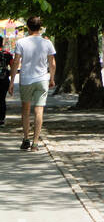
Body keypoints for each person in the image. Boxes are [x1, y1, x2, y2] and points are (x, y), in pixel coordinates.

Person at [10, 16, 56, 150]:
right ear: (40, 27)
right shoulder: (47, 43)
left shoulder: (21, 42)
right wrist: (52, 78)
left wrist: (12, 81)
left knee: (25, 110)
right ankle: (35, 143)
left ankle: (26, 139)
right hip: (42, 79)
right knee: (39, 110)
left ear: (28, 27)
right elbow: (52, 63)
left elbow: (16, 62)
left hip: (26, 79)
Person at [0, 39, 11, 126]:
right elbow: (13, 66)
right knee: (2, 99)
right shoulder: (7, 54)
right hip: (4, 80)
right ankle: (1, 119)